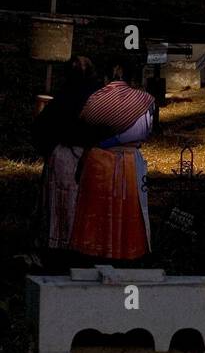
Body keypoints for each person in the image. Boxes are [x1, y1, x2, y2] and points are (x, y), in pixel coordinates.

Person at [69, 63, 155, 262]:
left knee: (97, 211)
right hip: (130, 161)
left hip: (97, 161)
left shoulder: (95, 99)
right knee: (129, 210)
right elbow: (144, 131)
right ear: (131, 79)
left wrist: (105, 141)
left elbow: (85, 127)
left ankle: (94, 254)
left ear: (105, 78)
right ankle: (127, 253)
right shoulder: (143, 100)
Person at [33, 56, 100, 259]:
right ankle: (71, 246)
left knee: (66, 204)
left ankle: (64, 246)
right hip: (84, 156)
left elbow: (43, 127)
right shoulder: (95, 96)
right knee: (69, 203)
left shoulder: (67, 97)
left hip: (73, 155)